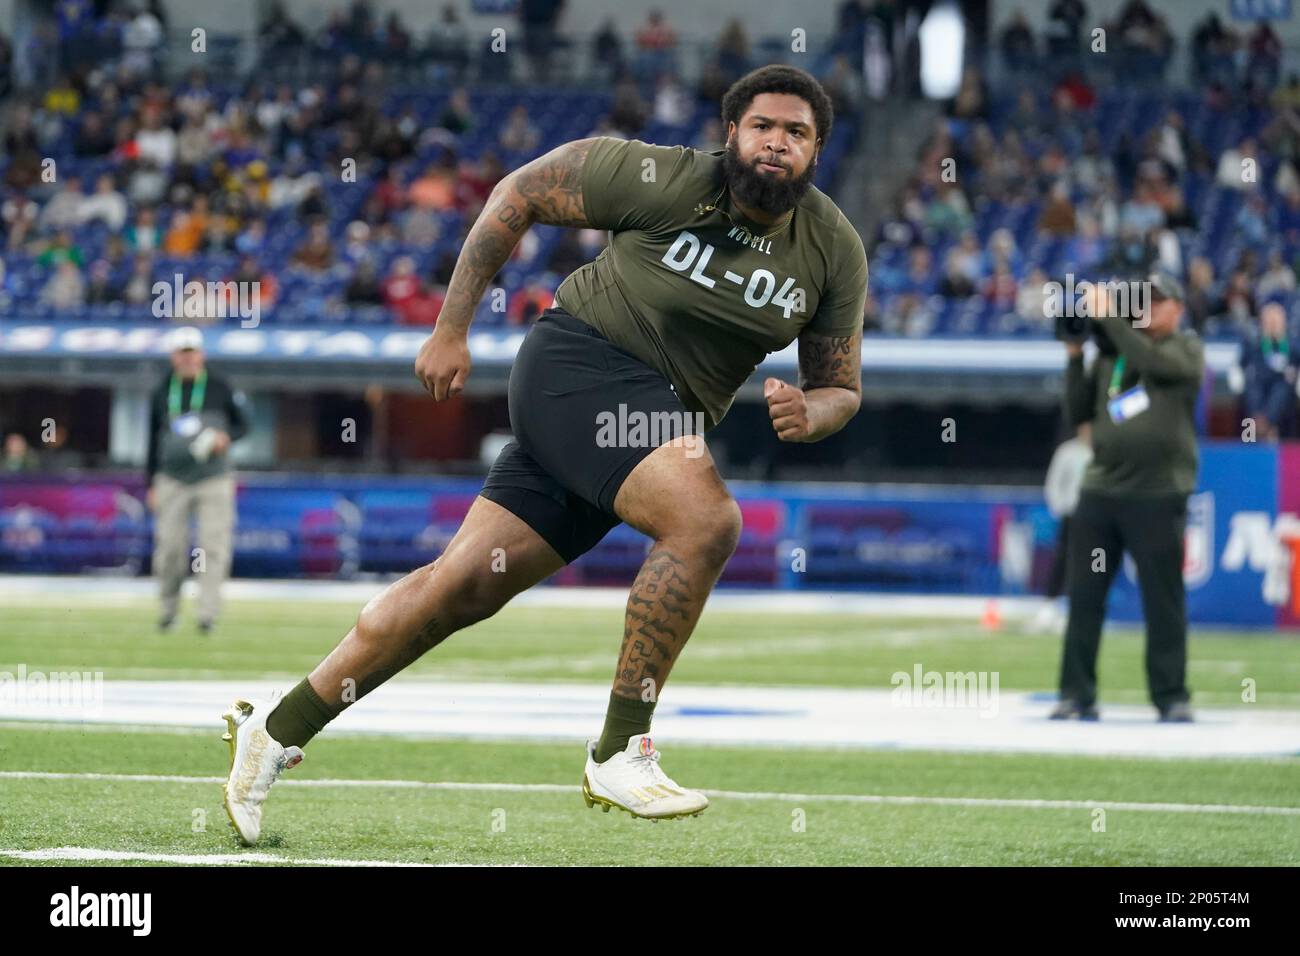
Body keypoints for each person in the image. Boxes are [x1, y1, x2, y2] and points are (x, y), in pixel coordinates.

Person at [221, 65, 868, 845]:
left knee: (457, 590)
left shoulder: (832, 249)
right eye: (763, 126)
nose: (776, 143)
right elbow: (518, 192)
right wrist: (451, 326)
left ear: (818, 151)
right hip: (580, 369)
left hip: (647, 426)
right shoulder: (661, 176)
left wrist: (814, 411)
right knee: (706, 521)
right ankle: (621, 746)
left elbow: (840, 387)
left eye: (796, 133)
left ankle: (276, 729)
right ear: (731, 133)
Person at [1054, 273, 1204, 722]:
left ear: (1177, 309)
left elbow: (1154, 363)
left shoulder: (1185, 350)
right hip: (1101, 494)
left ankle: (1171, 695)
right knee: (1084, 597)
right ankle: (1076, 694)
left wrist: (1110, 319)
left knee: (1163, 601)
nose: (1149, 310)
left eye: (1159, 303)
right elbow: (1078, 411)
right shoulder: (1112, 357)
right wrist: (1076, 357)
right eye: (1145, 302)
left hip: (1157, 496)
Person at [147, 326, 250, 635]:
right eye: (182, 352)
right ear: (173, 356)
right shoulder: (162, 390)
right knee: (169, 548)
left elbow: (245, 425)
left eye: (192, 352)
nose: (188, 358)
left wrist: (225, 437)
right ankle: (168, 612)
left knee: (212, 547)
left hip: (213, 478)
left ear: (201, 354)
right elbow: (151, 440)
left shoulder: (220, 385)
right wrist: (150, 482)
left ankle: (207, 615)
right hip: (172, 479)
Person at [1028, 423, 1092, 633]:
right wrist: (1061, 508)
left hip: (1098, 516)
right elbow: (1055, 483)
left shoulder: (1105, 450)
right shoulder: (1068, 451)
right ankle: (1050, 605)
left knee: (1090, 562)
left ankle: (1082, 607)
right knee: (1063, 559)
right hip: (1072, 515)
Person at [1238, 301, 1299, 440]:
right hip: (1259, 382)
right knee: (1252, 389)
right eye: (1269, 321)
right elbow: (1242, 363)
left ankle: (1266, 424)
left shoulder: (1291, 344)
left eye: (1276, 321)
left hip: (1282, 383)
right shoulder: (1254, 342)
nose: (1272, 325)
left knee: (1281, 390)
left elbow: (1295, 361)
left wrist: (1280, 339)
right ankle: (1257, 429)